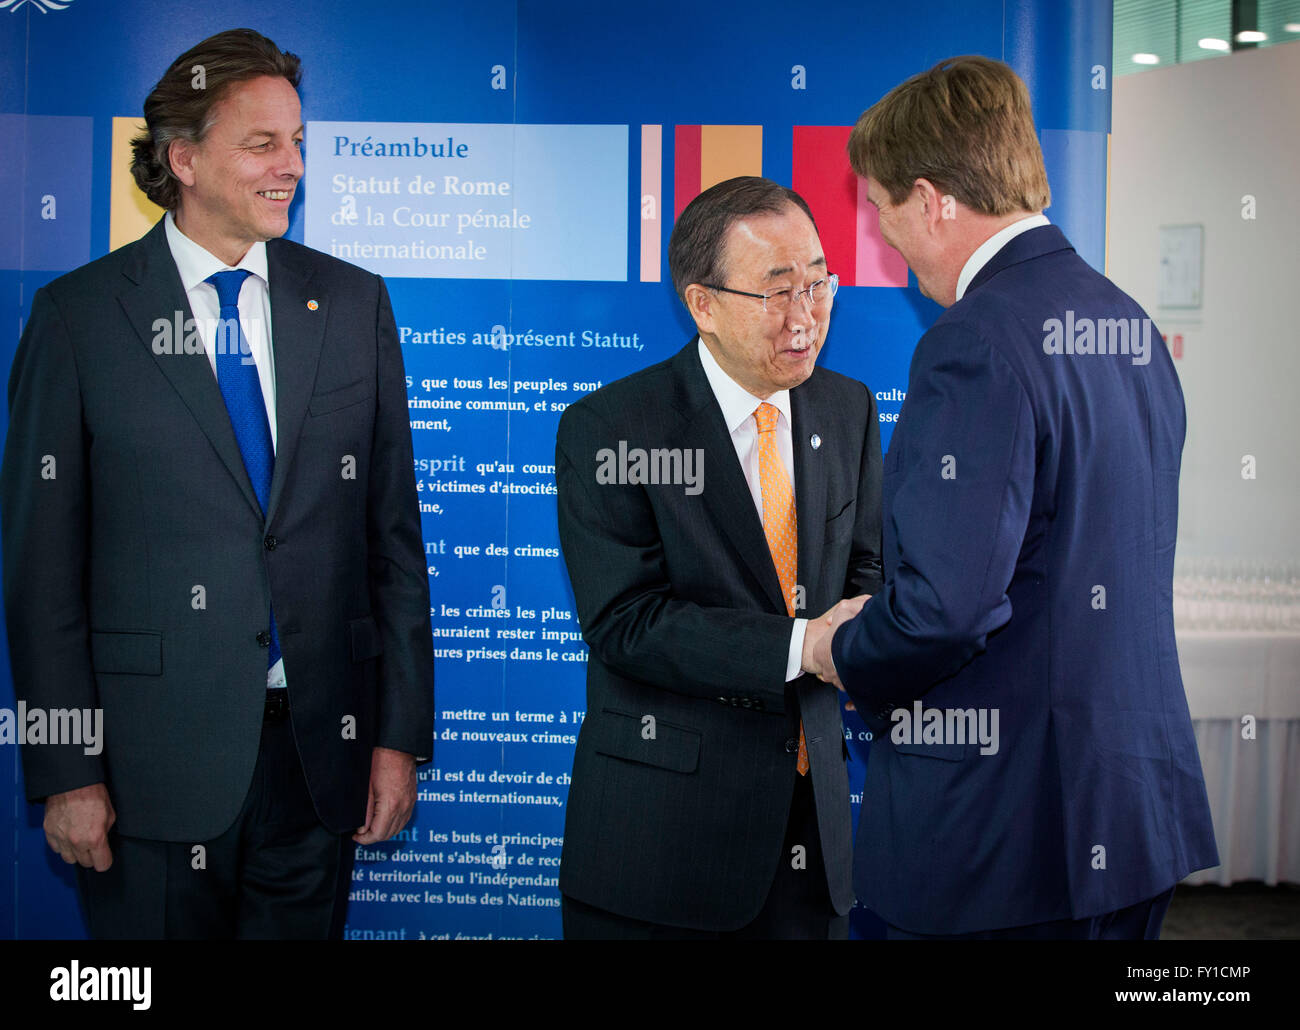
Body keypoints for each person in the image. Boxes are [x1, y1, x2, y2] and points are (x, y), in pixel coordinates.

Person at [0, 28, 434, 938]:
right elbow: (41, 573)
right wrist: (65, 770)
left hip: (319, 761)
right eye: (263, 144)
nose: (292, 167)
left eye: (299, 142)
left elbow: (391, 542)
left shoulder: (354, 304)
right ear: (184, 159)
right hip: (146, 775)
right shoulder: (79, 318)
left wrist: (396, 742)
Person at [806, 55, 1219, 939]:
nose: (882, 238)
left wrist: (845, 648)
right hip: (1126, 823)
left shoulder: (974, 345)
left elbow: (946, 613)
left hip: (1002, 847)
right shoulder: (1127, 324)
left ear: (933, 199)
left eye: (879, 207)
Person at [555, 176, 882, 939]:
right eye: (777, 293)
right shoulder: (613, 429)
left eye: (818, 283)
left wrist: (866, 631)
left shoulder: (848, 408)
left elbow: (868, 566)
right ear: (703, 305)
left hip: (814, 842)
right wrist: (806, 645)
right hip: (664, 850)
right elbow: (627, 623)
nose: (806, 317)